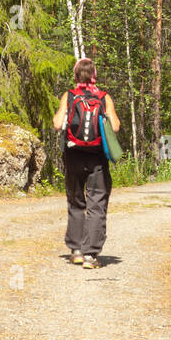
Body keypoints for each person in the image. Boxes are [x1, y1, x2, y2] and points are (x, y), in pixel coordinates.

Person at [52, 57, 120, 268]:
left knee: (76, 202)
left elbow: (56, 124)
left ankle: (76, 250)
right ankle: (91, 255)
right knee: (96, 203)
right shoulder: (103, 97)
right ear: (94, 75)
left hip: (73, 155)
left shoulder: (69, 96)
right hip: (97, 157)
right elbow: (115, 127)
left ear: (75, 75)